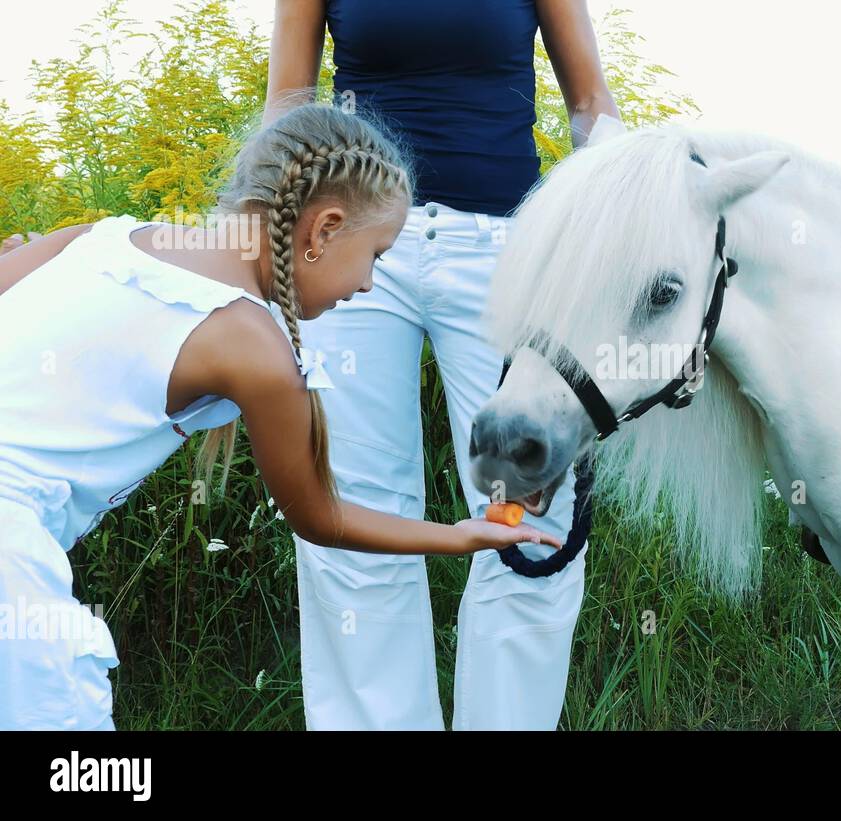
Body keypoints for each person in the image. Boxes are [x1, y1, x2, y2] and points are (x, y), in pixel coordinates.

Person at [0, 102, 562, 731]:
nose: (372, 285)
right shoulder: (252, 345)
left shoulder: (102, 235)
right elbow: (321, 518)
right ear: (322, 231)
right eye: (376, 254)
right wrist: (461, 535)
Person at [266, 0, 620, 730]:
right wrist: (265, 253)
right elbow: (289, 107)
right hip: (349, 245)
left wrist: (616, 223)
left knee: (531, 524)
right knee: (351, 523)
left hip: (503, 253)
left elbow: (588, 105)